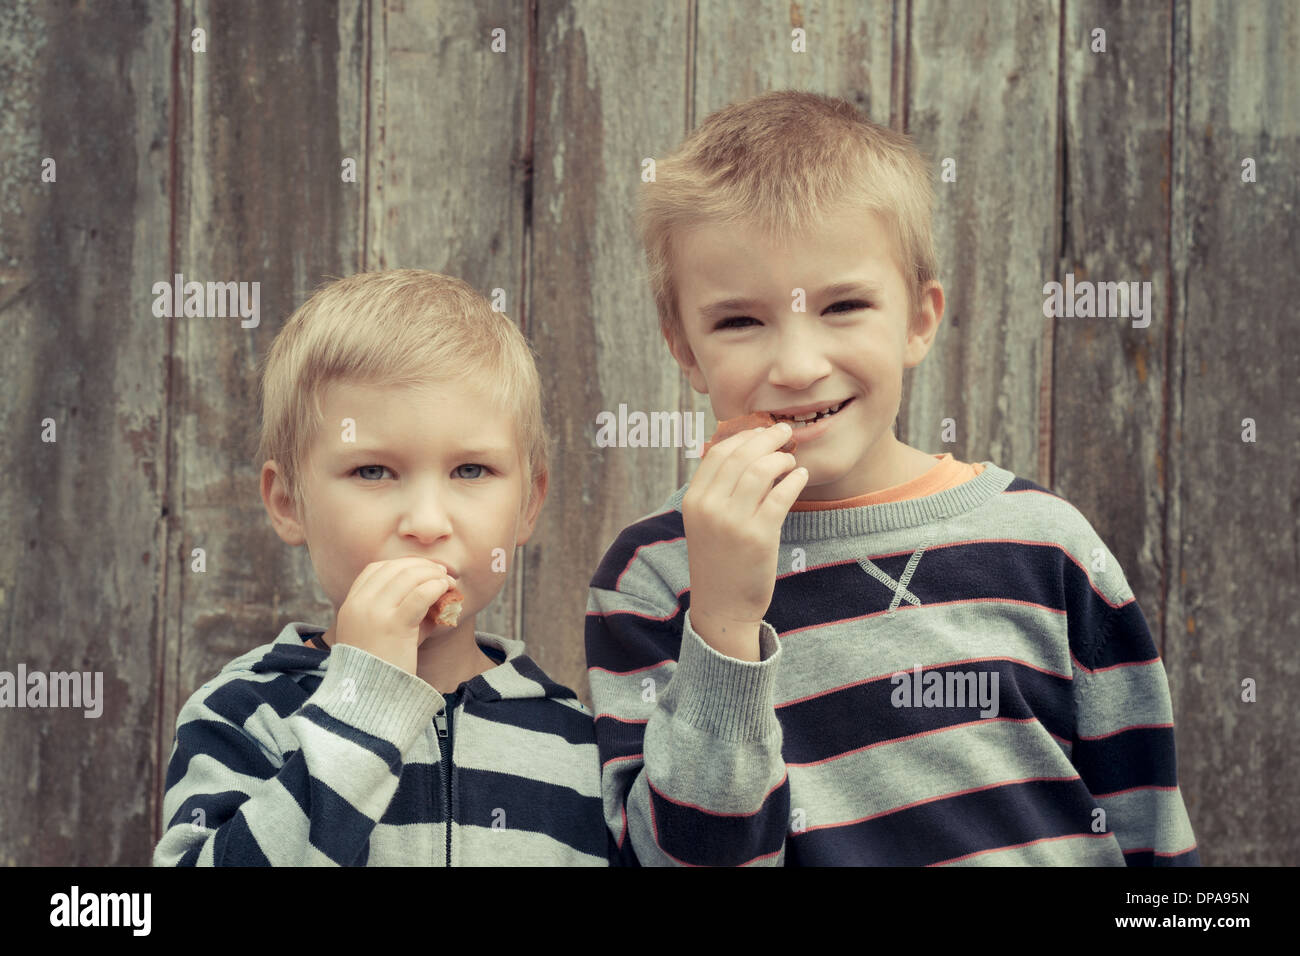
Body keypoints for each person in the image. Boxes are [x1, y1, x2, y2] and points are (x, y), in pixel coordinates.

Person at [586, 90, 1199, 866]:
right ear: (683, 347)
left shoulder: (1046, 547)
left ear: (918, 319)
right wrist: (724, 625)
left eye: (844, 306)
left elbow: (1148, 821)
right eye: (740, 320)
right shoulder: (651, 579)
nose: (799, 366)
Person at [155, 269, 607, 865]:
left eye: (471, 471)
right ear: (289, 503)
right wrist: (364, 705)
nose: (425, 521)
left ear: (527, 505)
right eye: (373, 471)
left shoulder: (573, 738)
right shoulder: (245, 714)